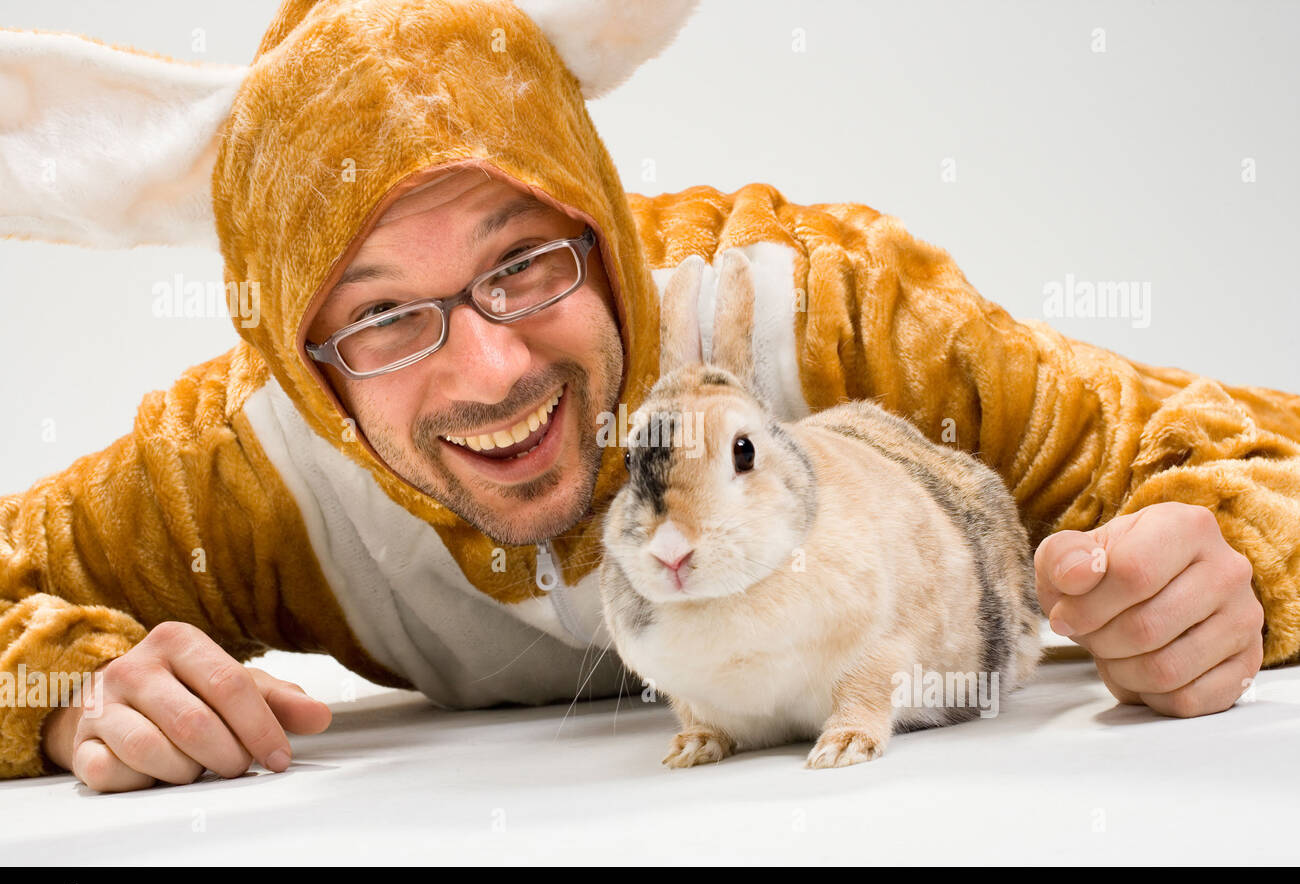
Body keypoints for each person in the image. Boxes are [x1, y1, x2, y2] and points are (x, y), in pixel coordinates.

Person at [3, 0, 1298, 793]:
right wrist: (66, 693)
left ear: (602, 226)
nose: (494, 371)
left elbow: (1241, 445)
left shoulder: (820, 322)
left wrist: (1223, 555)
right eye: (384, 317)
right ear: (305, 364)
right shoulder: (251, 475)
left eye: (525, 261)